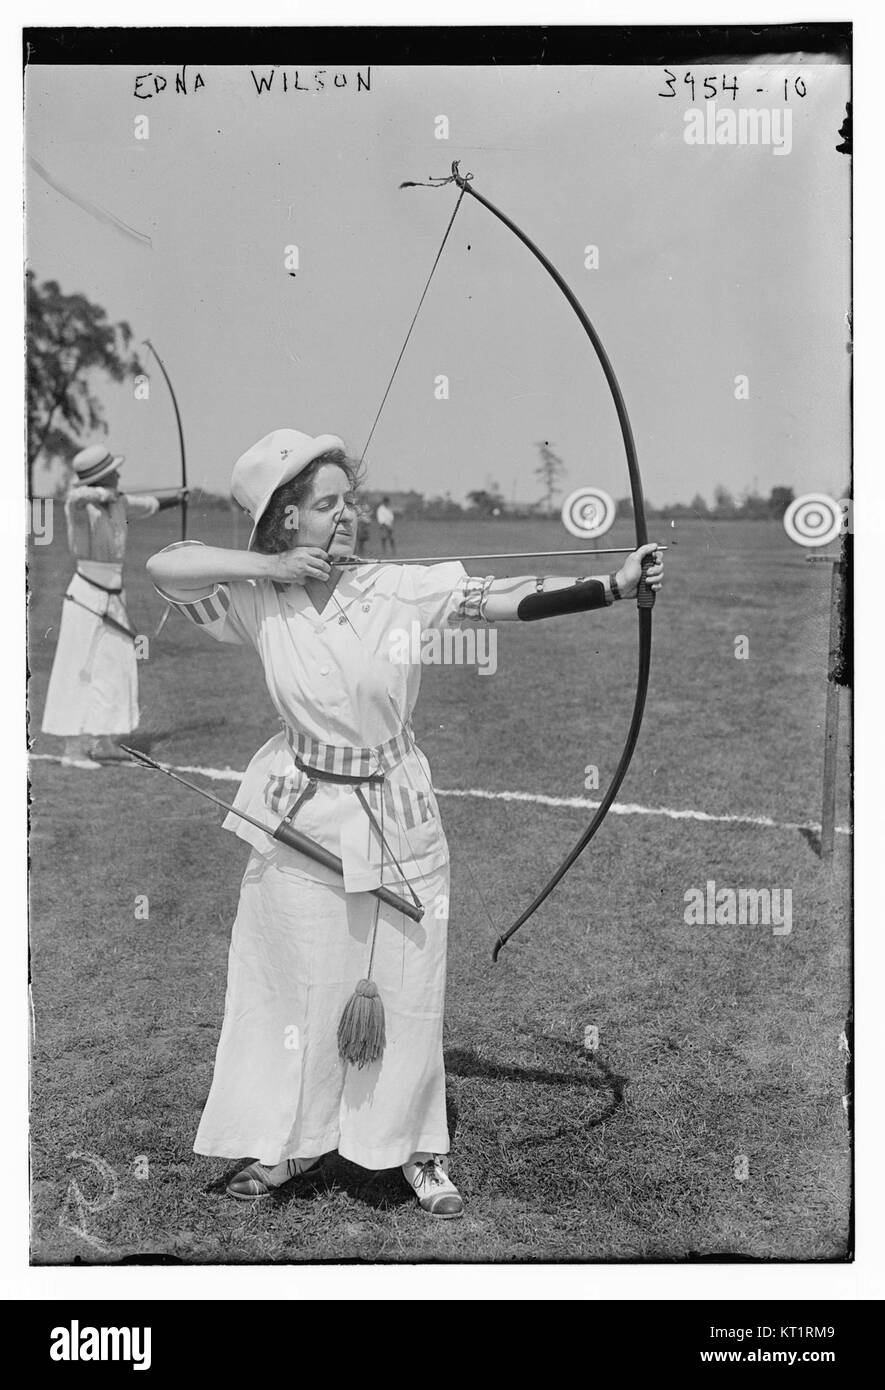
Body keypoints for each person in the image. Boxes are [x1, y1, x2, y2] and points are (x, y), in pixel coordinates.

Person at [146, 427, 663, 1215]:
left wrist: (611, 587)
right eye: (325, 506)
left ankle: (419, 1151)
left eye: (346, 501)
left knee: (406, 985)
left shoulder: (393, 587)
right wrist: (272, 568)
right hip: (298, 815)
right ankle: (286, 1145)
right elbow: (164, 567)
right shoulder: (256, 600)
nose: (345, 516)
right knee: (292, 984)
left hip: (396, 807)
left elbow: (503, 598)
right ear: (285, 520)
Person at [41, 444, 188, 768]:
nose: (120, 474)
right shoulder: (81, 508)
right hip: (87, 595)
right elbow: (73, 498)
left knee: (116, 664)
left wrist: (178, 497)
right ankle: (74, 750)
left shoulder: (119, 502)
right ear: (102, 478)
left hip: (113, 594)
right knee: (81, 668)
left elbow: (148, 504)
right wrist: (96, 495)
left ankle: (106, 741)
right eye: (114, 472)